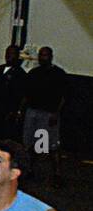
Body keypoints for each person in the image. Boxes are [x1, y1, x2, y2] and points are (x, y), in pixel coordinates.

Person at [22, 46, 66, 185]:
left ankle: (57, 174)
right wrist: (21, 110)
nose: (42, 58)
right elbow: (26, 94)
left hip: (48, 113)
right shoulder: (34, 73)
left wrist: (56, 113)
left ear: (51, 56)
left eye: (45, 55)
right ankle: (30, 170)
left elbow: (64, 96)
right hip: (32, 111)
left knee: (50, 145)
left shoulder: (58, 74)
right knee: (30, 143)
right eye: (40, 55)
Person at [0, 43, 26, 143]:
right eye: (7, 53)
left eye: (12, 53)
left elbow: (20, 94)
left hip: (8, 109)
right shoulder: (0, 68)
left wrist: (15, 111)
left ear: (17, 56)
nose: (8, 56)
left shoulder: (20, 73)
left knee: (5, 135)